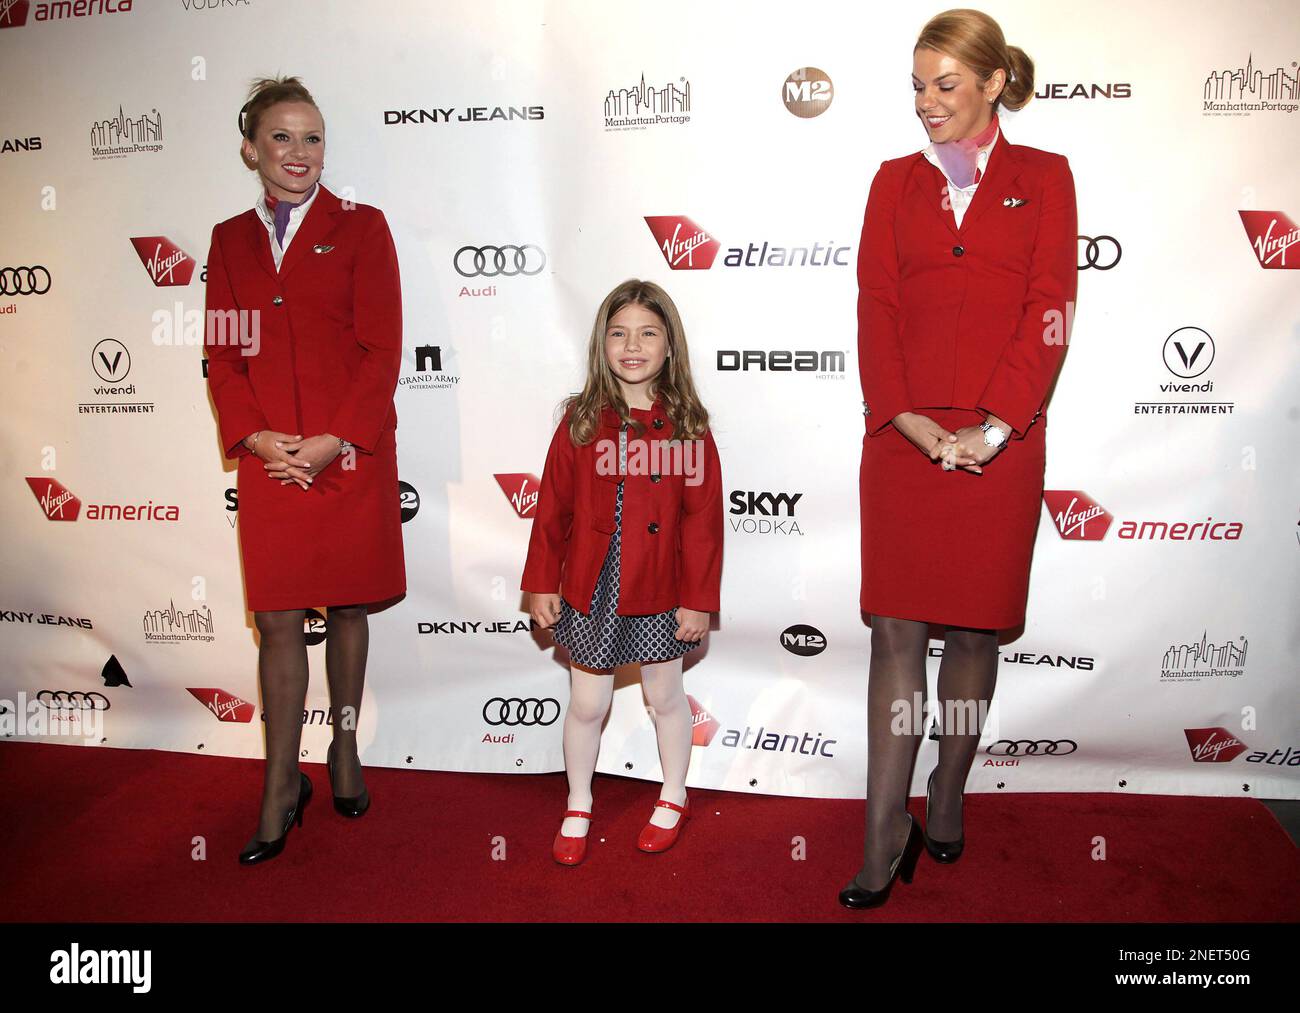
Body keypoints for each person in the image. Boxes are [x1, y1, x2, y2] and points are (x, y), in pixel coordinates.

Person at [842, 8, 1077, 908]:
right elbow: (875, 307)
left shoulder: (1046, 178)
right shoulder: (891, 182)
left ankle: (947, 787)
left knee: (974, 632)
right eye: (917, 85)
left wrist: (996, 426)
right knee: (896, 633)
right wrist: (904, 418)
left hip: (1000, 438)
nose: (926, 103)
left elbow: (1050, 311)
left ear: (990, 84)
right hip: (903, 438)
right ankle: (880, 832)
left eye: (945, 85)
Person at [203, 76, 406, 865]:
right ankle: (278, 785)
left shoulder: (364, 228)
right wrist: (255, 439)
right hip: (269, 460)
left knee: (349, 609)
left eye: (312, 137)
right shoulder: (227, 239)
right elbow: (223, 354)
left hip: (346, 454)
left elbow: (382, 350)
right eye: (281, 137)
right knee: (280, 623)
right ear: (252, 147)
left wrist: (332, 439)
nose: (298, 152)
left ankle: (345, 752)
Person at [522, 279, 723, 865]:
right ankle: (579, 801)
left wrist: (698, 599)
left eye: (648, 333)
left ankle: (674, 794)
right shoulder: (582, 419)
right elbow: (553, 506)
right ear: (601, 343)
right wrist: (540, 581)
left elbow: (703, 521)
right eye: (619, 333)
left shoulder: (688, 424)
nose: (632, 346)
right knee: (587, 704)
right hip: (592, 585)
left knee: (665, 696)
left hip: (661, 586)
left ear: (669, 346)